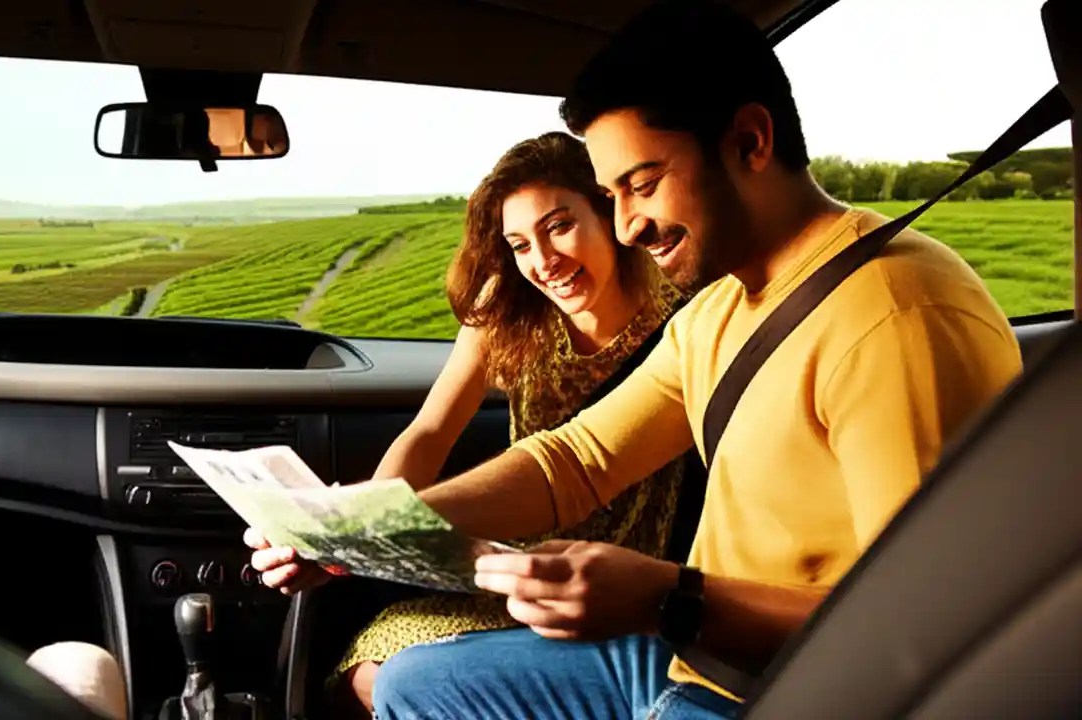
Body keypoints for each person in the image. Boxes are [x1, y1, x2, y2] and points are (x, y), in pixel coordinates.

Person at [250, 1, 1023, 718]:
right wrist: (357, 535)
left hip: (794, 681)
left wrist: (672, 599)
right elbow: (575, 462)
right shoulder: (721, 308)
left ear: (750, 143)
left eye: (642, 184)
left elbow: (931, 627)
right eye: (611, 194)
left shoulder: (895, 317)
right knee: (417, 682)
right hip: (697, 648)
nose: (625, 227)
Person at [246, 130, 695, 717]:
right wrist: (355, 528)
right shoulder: (507, 309)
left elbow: (573, 467)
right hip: (515, 559)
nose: (543, 262)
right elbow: (430, 432)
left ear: (610, 210)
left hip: (629, 572)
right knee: (363, 675)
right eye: (519, 244)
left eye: (559, 227)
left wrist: (368, 528)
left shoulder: (684, 320)